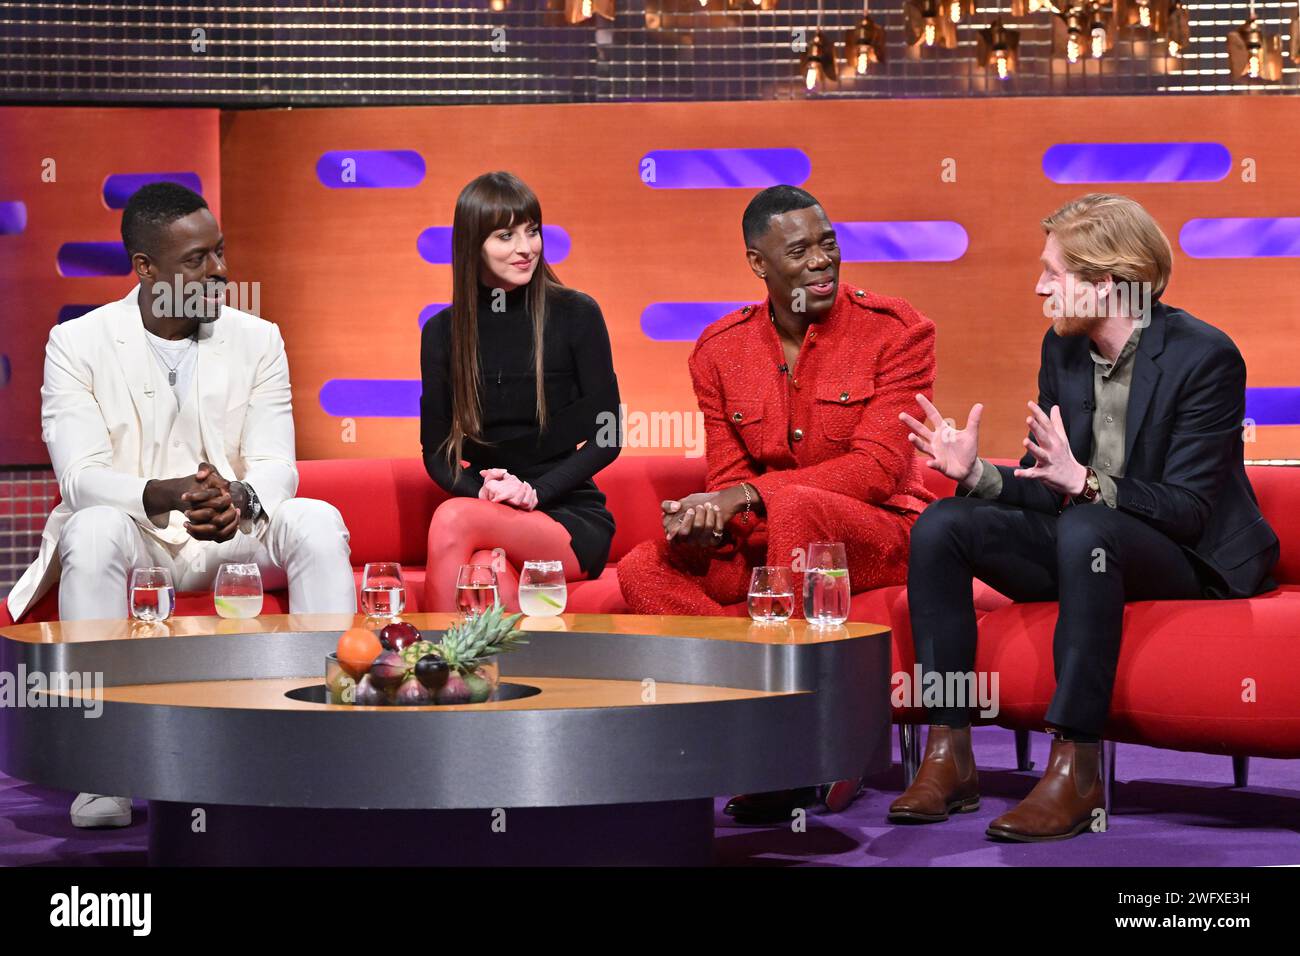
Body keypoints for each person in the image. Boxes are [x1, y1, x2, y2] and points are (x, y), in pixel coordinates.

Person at [892, 193, 1279, 841]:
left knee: (1086, 523)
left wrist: (1089, 483)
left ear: (1104, 284)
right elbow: (1051, 488)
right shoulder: (1064, 350)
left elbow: (1187, 510)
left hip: (1188, 558)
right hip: (1089, 544)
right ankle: (949, 751)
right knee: (945, 524)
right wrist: (977, 475)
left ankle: (1075, 768)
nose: (1039, 287)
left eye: (1052, 273)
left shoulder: (1205, 357)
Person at [6, 182, 357, 829]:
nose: (219, 271)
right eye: (197, 259)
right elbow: (81, 478)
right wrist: (163, 493)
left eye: (219, 252)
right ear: (145, 267)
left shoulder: (258, 339)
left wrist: (242, 498)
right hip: (139, 538)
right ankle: (102, 770)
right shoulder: (77, 345)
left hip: (231, 538)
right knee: (90, 529)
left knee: (316, 519)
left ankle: (331, 741)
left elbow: (278, 462)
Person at [617, 185, 937, 824]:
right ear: (758, 263)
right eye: (800, 250)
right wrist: (708, 524)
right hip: (773, 544)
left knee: (800, 511)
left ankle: (803, 744)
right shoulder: (718, 351)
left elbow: (875, 472)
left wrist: (746, 496)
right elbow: (729, 474)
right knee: (642, 567)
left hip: (883, 533)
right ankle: (743, 713)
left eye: (828, 243)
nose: (822, 261)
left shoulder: (897, 332)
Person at [420, 172, 621, 611]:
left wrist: (532, 492)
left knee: (452, 518)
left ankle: (431, 671)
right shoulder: (441, 334)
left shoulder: (576, 314)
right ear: (473, 245)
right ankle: (512, 678)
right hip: (489, 508)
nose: (525, 247)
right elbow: (436, 456)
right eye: (505, 236)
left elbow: (608, 436)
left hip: (566, 513)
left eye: (531, 231)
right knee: (489, 574)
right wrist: (488, 495)